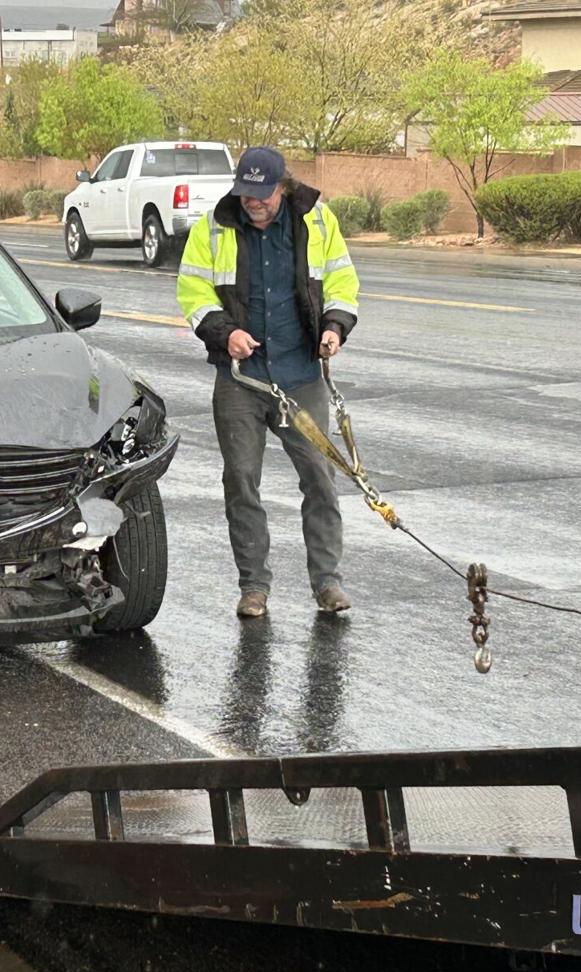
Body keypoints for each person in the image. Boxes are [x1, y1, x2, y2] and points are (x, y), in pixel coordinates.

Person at [176, 146, 360, 618]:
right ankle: (253, 587)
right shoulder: (213, 227)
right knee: (241, 481)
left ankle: (327, 584)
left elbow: (342, 281)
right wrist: (225, 332)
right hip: (241, 380)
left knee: (320, 479)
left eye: (262, 194)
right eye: (246, 194)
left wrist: (333, 328)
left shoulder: (318, 223)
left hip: (300, 375)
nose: (253, 203)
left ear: (284, 187)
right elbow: (193, 292)